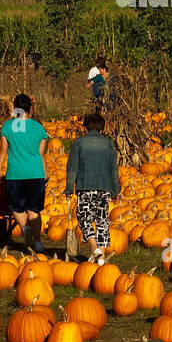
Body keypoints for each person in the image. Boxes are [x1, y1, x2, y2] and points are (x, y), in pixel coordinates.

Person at [0, 93, 50, 253]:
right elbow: (41, 154)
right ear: (30, 107)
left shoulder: (8, 126)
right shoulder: (38, 128)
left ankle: (25, 228)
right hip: (36, 173)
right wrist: (45, 174)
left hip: (15, 174)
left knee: (17, 208)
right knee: (34, 210)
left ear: (15, 108)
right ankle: (38, 242)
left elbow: (3, 150)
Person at [65, 113, 120, 264]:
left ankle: (94, 247)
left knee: (84, 218)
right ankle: (101, 259)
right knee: (102, 221)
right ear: (103, 128)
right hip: (104, 188)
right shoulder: (108, 144)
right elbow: (113, 170)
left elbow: (72, 168)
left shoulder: (79, 143)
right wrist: (116, 191)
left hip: (85, 187)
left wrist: (69, 189)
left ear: (86, 127)